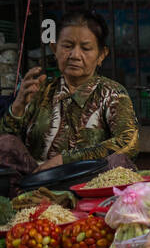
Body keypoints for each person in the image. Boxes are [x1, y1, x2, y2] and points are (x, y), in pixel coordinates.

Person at [0, 9, 139, 177]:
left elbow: (129, 142)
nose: (75, 55)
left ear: (102, 55)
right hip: (37, 181)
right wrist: (18, 107)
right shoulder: (39, 90)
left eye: (86, 48)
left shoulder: (112, 94)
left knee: (118, 161)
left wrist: (64, 160)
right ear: (54, 48)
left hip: (88, 182)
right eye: (67, 46)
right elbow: (7, 144)